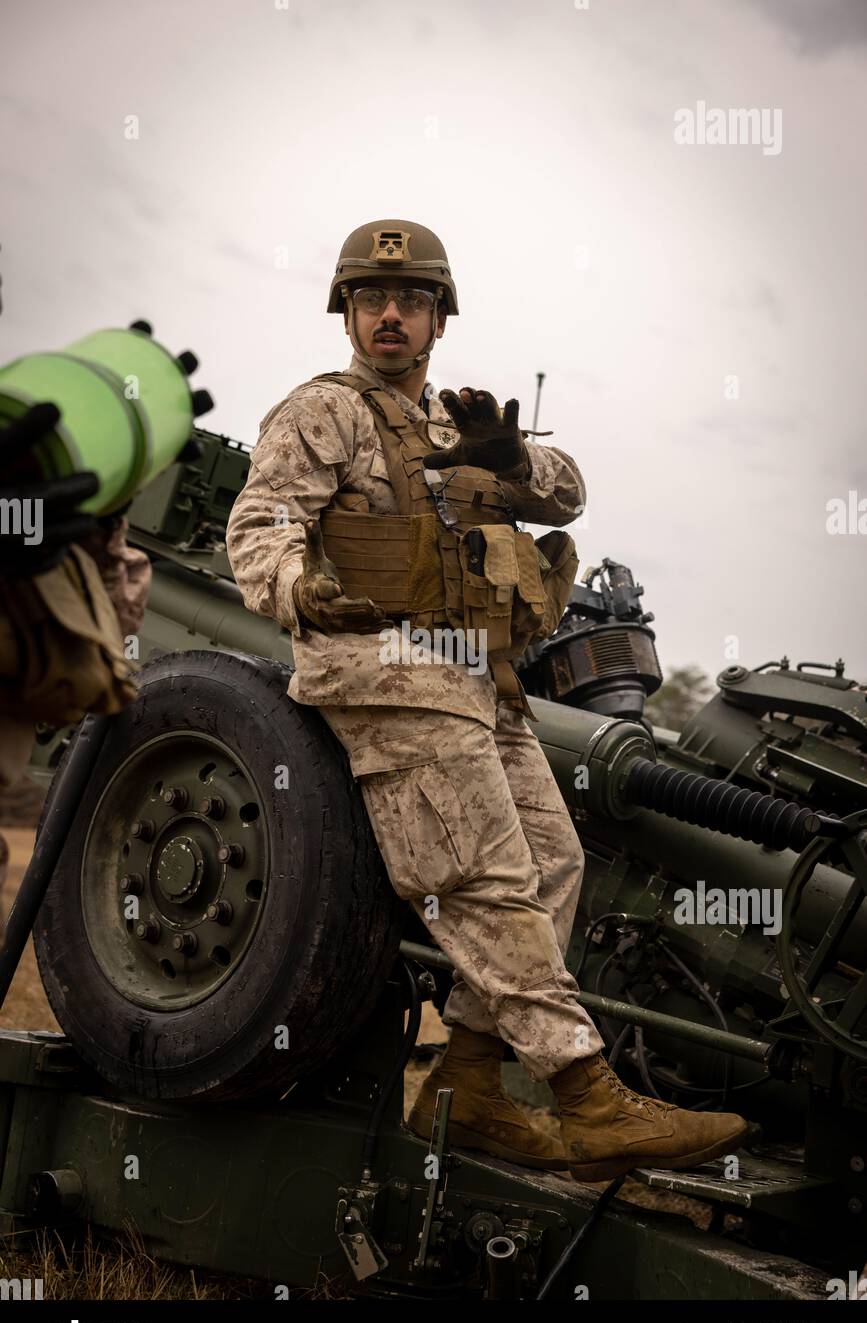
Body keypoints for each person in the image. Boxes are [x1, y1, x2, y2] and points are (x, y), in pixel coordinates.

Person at [225, 219, 749, 1181]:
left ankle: (466, 1087)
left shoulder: (456, 425)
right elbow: (260, 523)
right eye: (372, 300)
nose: (391, 316)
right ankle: (588, 1096)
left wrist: (508, 457)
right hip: (382, 674)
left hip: (478, 682)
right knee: (481, 878)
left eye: (412, 301)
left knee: (553, 863)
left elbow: (566, 494)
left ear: (437, 320)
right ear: (345, 312)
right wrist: (297, 588)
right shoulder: (320, 412)